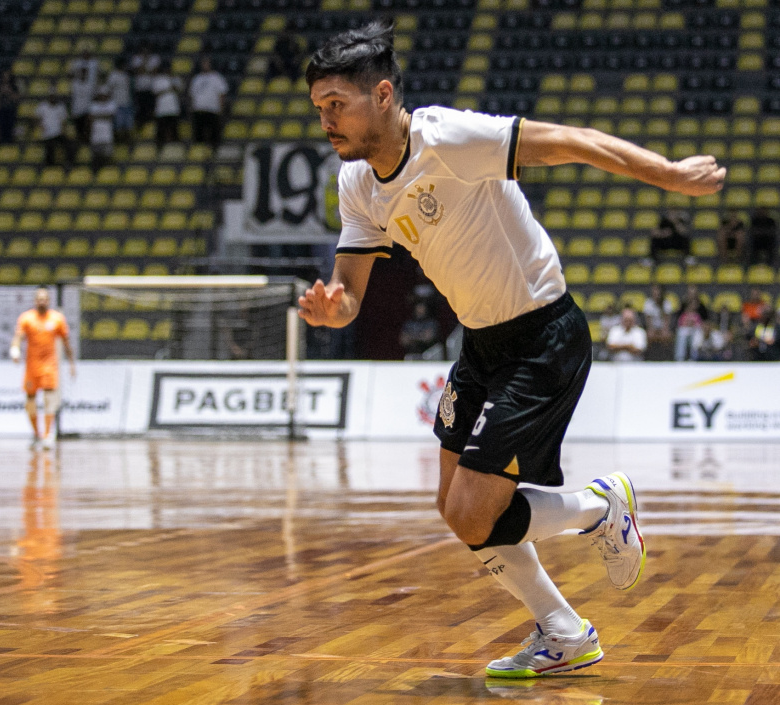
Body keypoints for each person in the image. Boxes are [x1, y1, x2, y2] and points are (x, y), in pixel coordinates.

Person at [298, 20, 724, 679]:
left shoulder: (447, 139)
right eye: (317, 108)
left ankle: (598, 507)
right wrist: (334, 311)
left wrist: (667, 175)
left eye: (335, 105)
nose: (325, 120)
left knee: (474, 508)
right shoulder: (355, 183)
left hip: (542, 334)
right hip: (480, 342)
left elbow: (574, 142)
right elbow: (350, 289)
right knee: (457, 510)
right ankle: (564, 630)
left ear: (381, 94)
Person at [10, 288, 76, 450]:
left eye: (45, 298)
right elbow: (18, 337)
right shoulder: (26, 318)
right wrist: (15, 350)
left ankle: (47, 436)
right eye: (39, 298)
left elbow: (66, 342)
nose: (42, 301)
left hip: (49, 366)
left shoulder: (57, 319)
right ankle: (36, 434)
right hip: (32, 366)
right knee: (30, 401)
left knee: (49, 399)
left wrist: (72, 363)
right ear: (35, 300)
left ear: (49, 300)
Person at [187, 56, 228, 148]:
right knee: (199, 133)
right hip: (199, 109)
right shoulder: (196, 78)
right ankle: (198, 151)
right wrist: (192, 107)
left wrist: (221, 108)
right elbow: (192, 95)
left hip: (212, 109)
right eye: (203, 63)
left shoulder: (217, 77)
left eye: (206, 63)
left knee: (214, 132)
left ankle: (214, 150)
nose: (205, 65)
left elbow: (222, 94)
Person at [34, 86, 75, 167]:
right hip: (47, 134)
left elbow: (64, 121)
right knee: (50, 147)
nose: (52, 98)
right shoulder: (42, 106)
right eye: (51, 96)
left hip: (58, 133)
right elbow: (36, 118)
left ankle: (68, 162)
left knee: (70, 144)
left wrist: (63, 130)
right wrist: (41, 125)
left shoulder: (61, 107)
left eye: (54, 96)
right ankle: (50, 166)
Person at [151, 63, 183, 148]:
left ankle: (175, 147)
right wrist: (168, 89)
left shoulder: (175, 78)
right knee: (161, 130)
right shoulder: (158, 79)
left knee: (174, 129)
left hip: (173, 108)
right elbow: (156, 92)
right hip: (161, 109)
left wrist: (172, 85)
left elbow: (180, 89)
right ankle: (160, 147)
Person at [88, 84, 117, 171]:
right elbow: (90, 117)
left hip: (107, 133)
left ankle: (107, 171)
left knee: (107, 154)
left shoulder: (111, 104)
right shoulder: (93, 105)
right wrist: (103, 115)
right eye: (101, 95)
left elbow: (110, 116)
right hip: (96, 133)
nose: (103, 97)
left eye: (104, 95)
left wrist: (97, 116)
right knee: (96, 154)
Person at [105, 59, 133, 144]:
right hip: (117, 103)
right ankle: (118, 141)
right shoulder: (113, 75)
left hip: (127, 102)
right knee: (118, 124)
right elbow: (109, 89)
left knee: (128, 124)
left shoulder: (126, 75)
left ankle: (126, 142)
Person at [0, 70, 22, 145]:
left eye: (7, 76)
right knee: (2, 126)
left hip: (11, 109)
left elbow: (17, 98)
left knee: (10, 126)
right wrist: (1, 92)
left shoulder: (14, 87)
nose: (5, 78)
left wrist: (9, 92)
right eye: (4, 76)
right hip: (2, 109)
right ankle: (2, 141)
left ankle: (10, 141)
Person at [70, 65, 94, 145]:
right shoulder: (75, 84)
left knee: (87, 129)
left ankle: (86, 144)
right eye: (82, 73)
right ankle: (79, 144)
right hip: (77, 110)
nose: (83, 74)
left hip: (87, 110)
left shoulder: (90, 85)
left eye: (85, 73)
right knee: (78, 130)